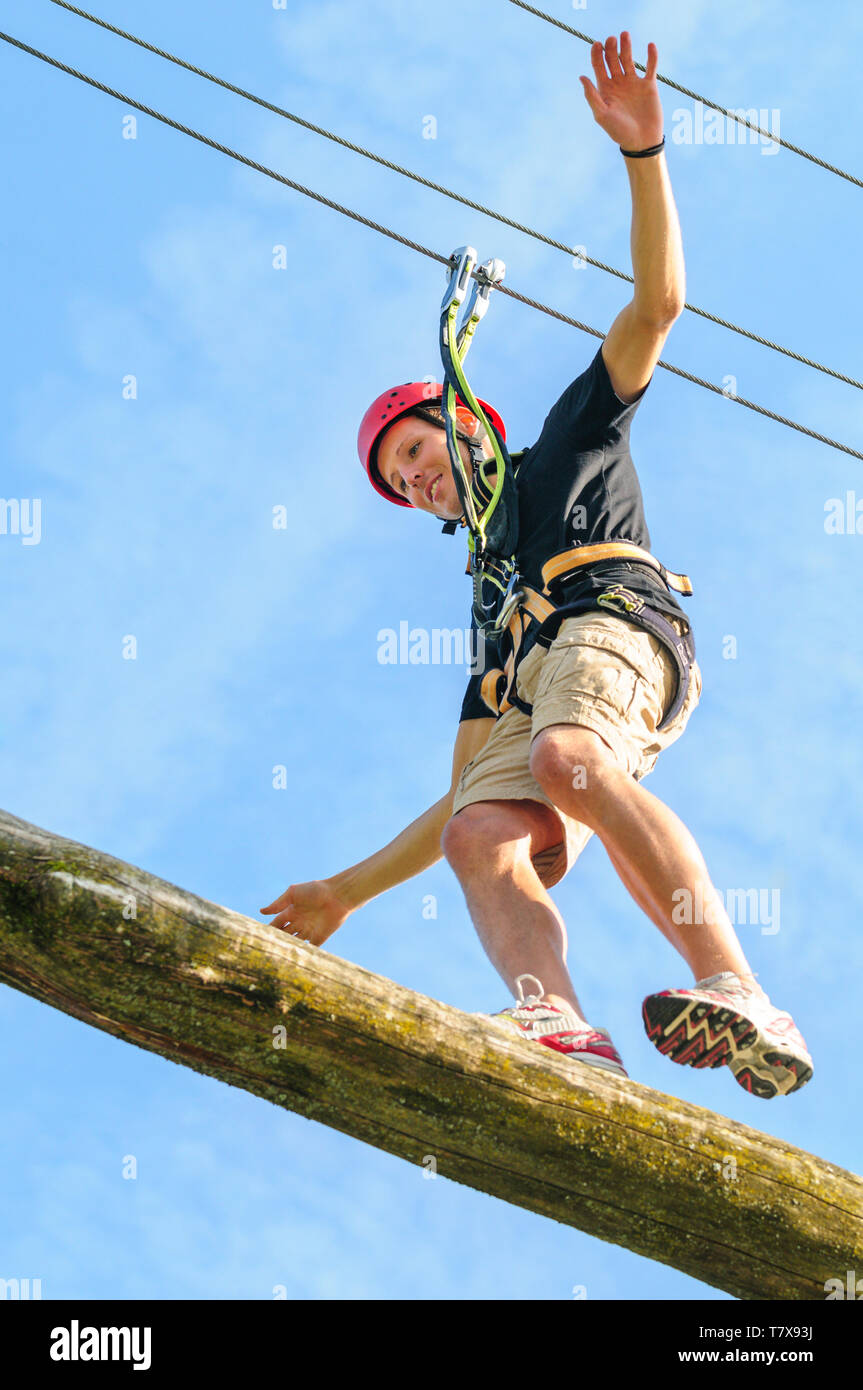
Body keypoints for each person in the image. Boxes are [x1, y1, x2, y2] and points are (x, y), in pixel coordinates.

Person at [262, 33, 813, 1100]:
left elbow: (654, 310)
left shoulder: (562, 446)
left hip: (616, 622)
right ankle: (558, 1023)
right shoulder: (490, 614)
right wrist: (342, 893)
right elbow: (459, 791)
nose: (418, 479)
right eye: (400, 481)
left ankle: (738, 986)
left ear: (467, 422)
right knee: (480, 827)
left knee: (565, 758)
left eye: (418, 450)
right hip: (548, 657)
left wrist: (643, 155)